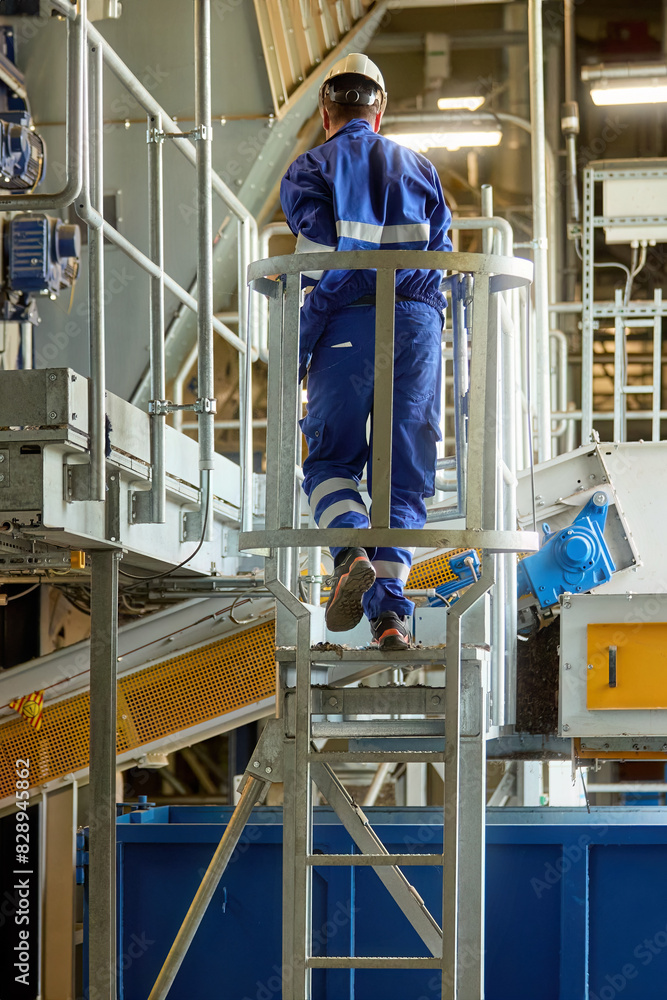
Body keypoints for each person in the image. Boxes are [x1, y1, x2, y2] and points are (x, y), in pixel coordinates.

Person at [280, 53, 452, 651]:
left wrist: (300, 344)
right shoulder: (423, 171)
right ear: (380, 113)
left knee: (330, 465)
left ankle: (349, 545)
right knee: (404, 481)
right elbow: (441, 268)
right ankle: (388, 619)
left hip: (346, 327)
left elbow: (327, 260)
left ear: (326, 112)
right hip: (417, 332)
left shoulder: (308, 169)